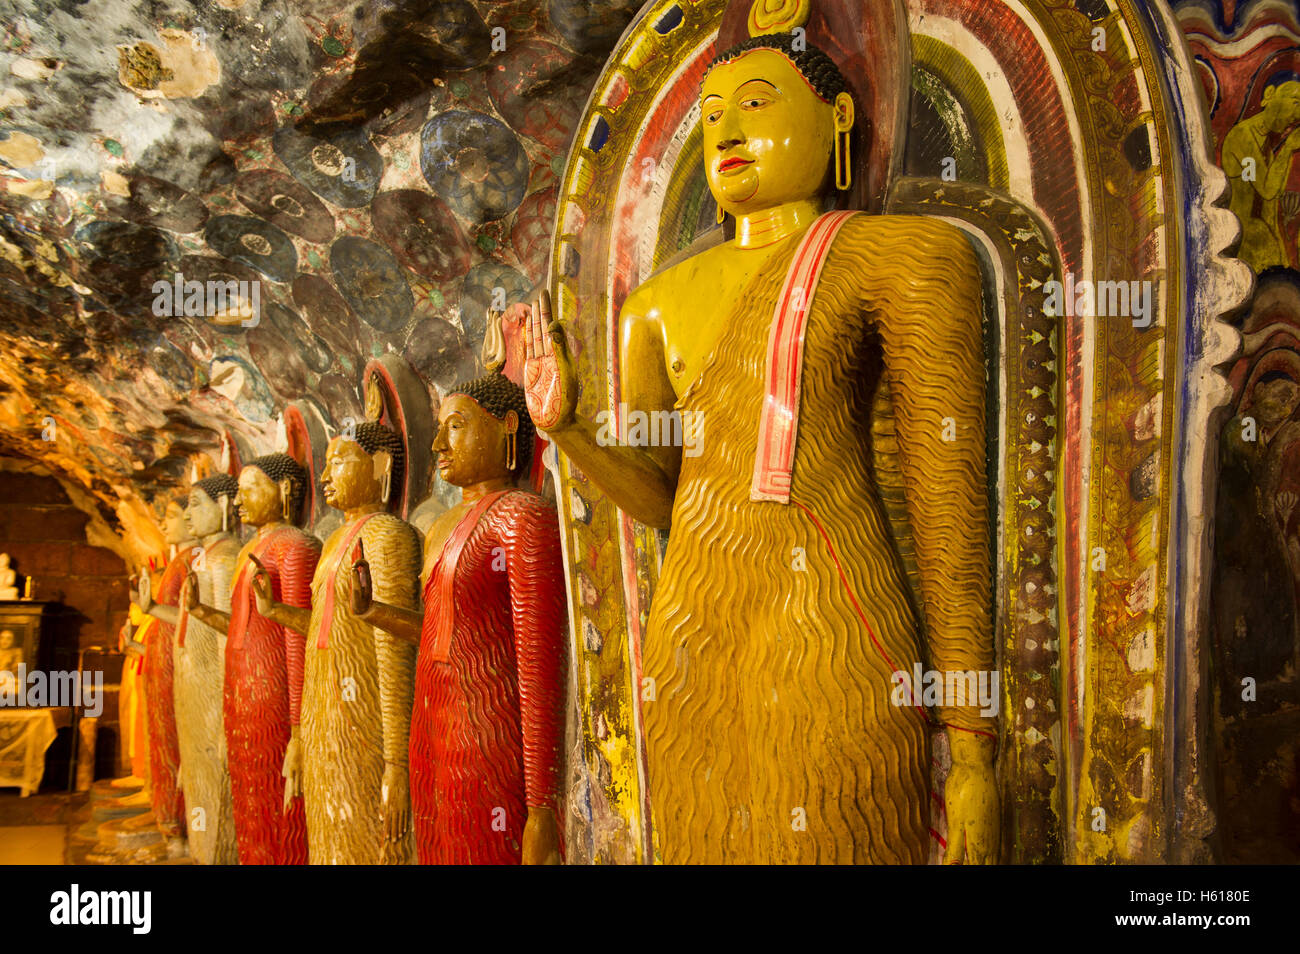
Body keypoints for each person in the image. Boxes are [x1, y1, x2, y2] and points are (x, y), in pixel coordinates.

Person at [524, 28, 997, 863]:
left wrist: (972, 747)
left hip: (830, 627)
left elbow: (946, 496)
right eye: (710, 118)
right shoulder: (656, 308)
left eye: (755, 104)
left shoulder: (903, 255)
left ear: (838, 117)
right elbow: (661, 500)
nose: (727, 133)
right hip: (693, 648)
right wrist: (567, 431)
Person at [353, 367, 566, 864]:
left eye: (457, 426)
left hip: (487, 736)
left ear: (508, 426)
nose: (438, 445)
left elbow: (538, 670)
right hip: (433, 734)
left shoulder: (519, 518)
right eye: (440, 428)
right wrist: (374, 612)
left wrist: (540, 809)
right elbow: (436, 636)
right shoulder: (443, 528)